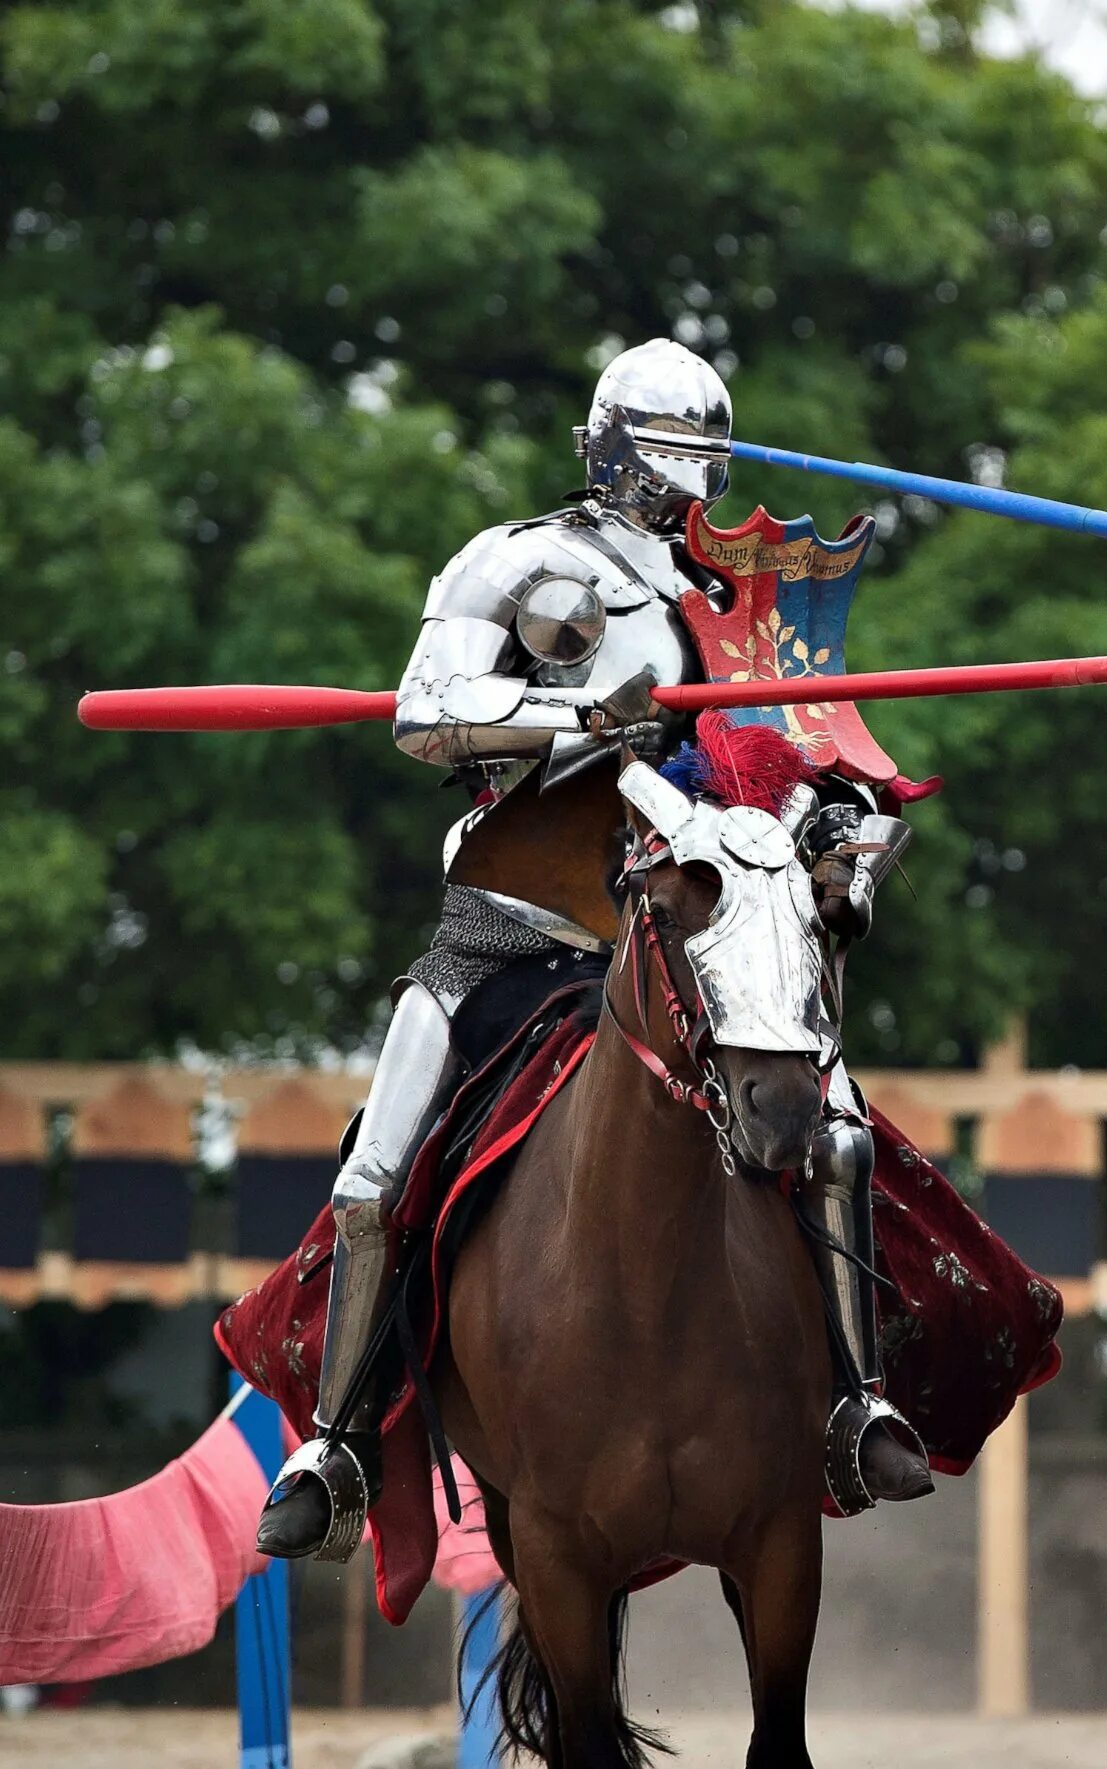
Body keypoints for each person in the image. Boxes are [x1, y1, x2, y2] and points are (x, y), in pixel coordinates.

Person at [254, 341, 928, 1561]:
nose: (684, 484)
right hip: (519, 925)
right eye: (668, 454)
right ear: (608, 443)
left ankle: (854, 1403)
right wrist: (583, 713)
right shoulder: (518, 562)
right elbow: (424, 712)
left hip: (698, 936)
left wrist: (850, 847)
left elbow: (814, 760)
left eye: (704, 461)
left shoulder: (735, 593)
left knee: (835, 1136)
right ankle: (339, 1440)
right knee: (375, 1173)